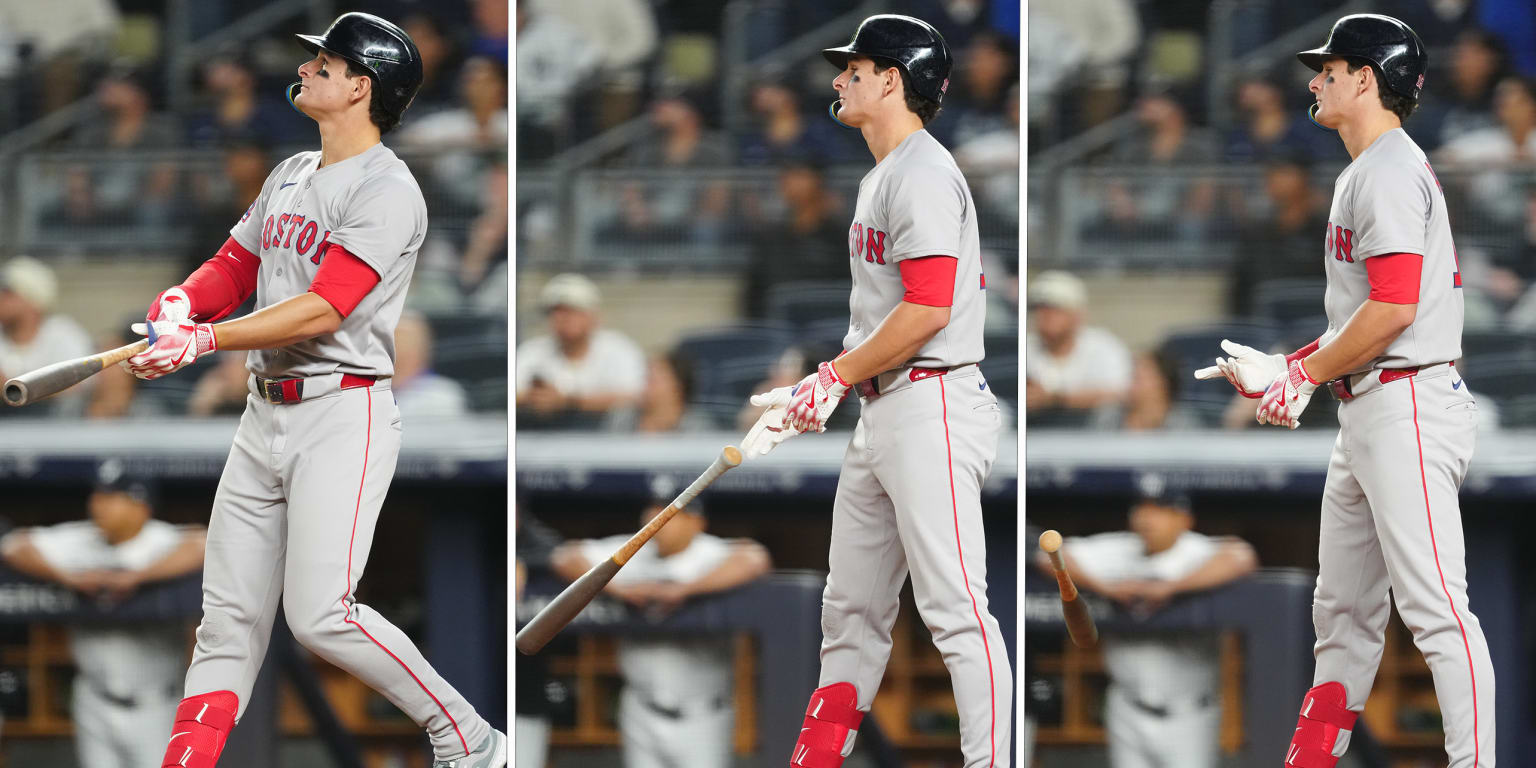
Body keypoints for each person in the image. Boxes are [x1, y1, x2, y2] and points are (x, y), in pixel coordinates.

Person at [119, 13, 505, 767]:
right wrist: (184, 305)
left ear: (363, 86)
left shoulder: (389, 189)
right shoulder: (292, 170)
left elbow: (328, 305)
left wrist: (206, 340)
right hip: (264, 412)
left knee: (321, 616)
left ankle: (470, 739)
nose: (307, 71)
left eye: (325, 65)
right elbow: (236, 262)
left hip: (342, 406)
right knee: (226, 621)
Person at [1199, 15, 1495, 767]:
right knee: (1343, 617)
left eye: (1330, 69)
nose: (1316, 79)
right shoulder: (1370, 167)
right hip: (1371, 405)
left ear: (1367, 78)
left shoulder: (1389, 168)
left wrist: (1304, 374)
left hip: (1409, 403)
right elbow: (1373, 311)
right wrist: (1290, 363)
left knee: (1435, 611)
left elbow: (1395, 308)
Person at [741, 16, 1011, 767]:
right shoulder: (886, 172)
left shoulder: (921, 171)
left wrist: (833, 377)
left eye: (854, 69)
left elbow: (927, 309)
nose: (839, 80)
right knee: (850, 612)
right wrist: (817, 386)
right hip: (887, 405)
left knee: (956, 613)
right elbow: (887, 317)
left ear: (892, 79)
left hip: (934, 401)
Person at [0, 461, 207, 768]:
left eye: (112, 497)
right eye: (97, 494)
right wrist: (68, 578)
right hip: (92, 699)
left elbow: (203, 543)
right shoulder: (80, 539)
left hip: (154, 704)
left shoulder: (159, 540)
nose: (98, 504)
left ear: (141, 506)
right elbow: (12, 545)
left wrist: (137, 577)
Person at [549, 483, 772, 768]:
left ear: (696, 522)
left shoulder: (709, 553)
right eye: (653, 512)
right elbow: (564, 557)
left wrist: (686, 590)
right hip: (639, 708)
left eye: (669, 515)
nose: (655, 522)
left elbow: (756, 559)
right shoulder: (631, 550)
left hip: (701, 715)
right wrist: (619, 589)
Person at [1034, 485, 1258, 768]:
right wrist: (1105, 587)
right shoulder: (1119, 548)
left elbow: (1242, 557)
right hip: (1126, 707)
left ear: (1184, 519)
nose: (1147, 518)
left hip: (1187, 714)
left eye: (1160, 511)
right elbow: (1047, 555)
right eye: (1142, 509)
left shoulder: (1196, 551)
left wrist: (1172, 588)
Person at [514, 273, 647, 429]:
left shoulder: (619, 349)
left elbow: (636, 396)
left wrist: (569, 402)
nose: (561, 318)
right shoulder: (533, 350)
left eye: (570, 311)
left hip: (607, 440)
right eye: (555, 312)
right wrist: (535, 398)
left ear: (592, 316)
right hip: (543, 439)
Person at [1024, 270, 1133, 426]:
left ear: (1077, 314)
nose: (1045, 315)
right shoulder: (1026, 348)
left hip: (1095, 439)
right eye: (1039, 309)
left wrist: (1056, 399)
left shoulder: (1104, 347)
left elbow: (1122, 394)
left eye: (1055, 308)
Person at [0, 256, 94, 416]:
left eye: (8, 292)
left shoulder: (63, 333)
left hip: (55, 430)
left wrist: (15, 389)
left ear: (32, 299)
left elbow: (76, 384)